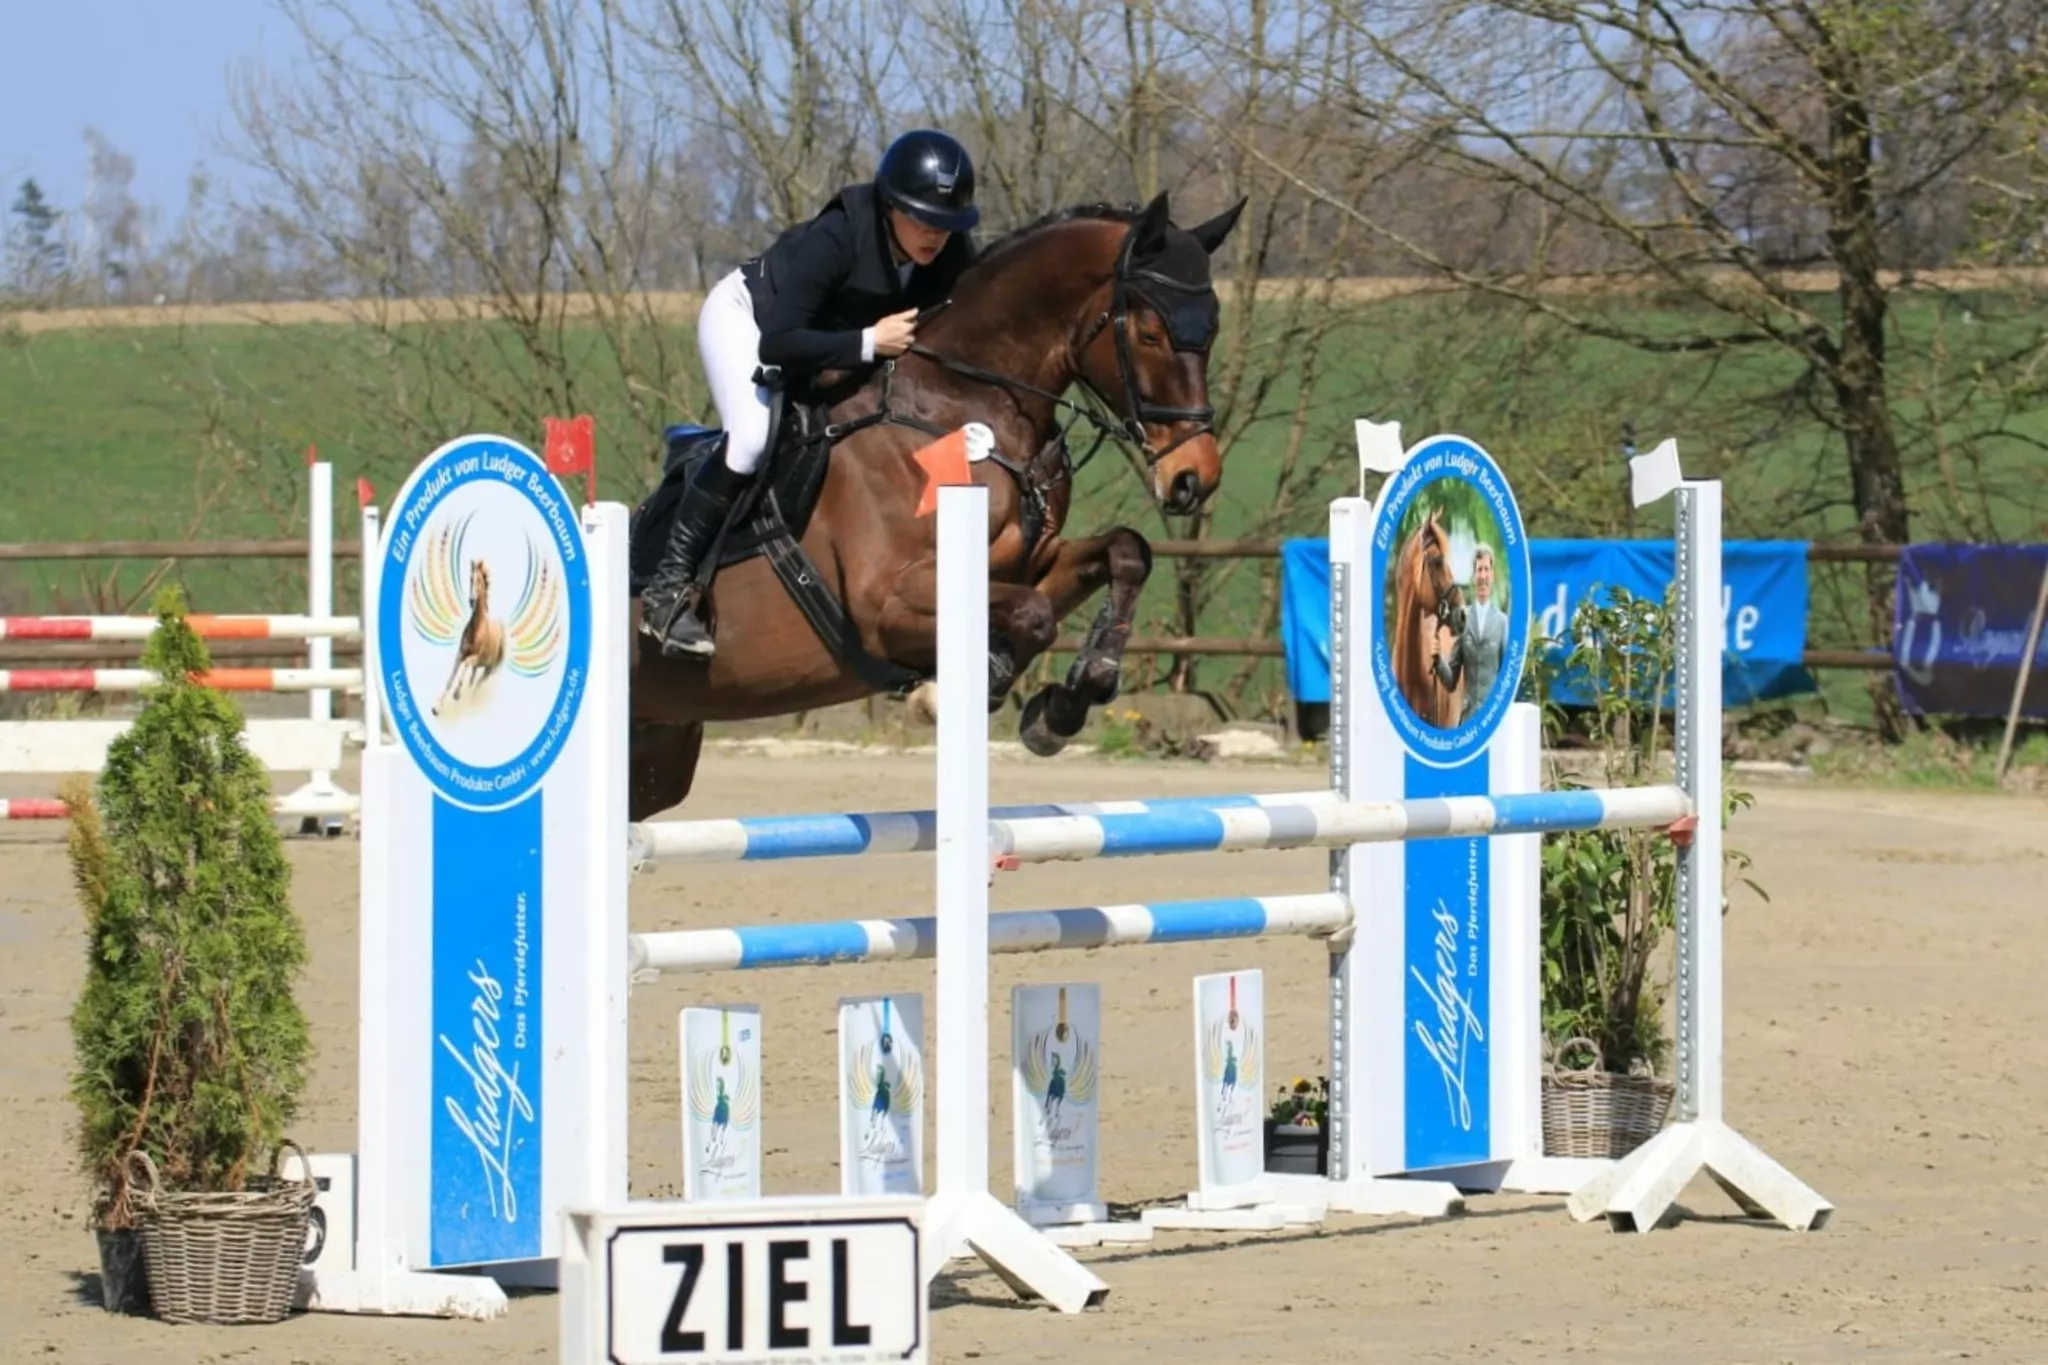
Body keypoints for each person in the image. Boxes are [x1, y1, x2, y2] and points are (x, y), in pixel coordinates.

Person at [641, 129, 984, 658]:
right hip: (749, 322)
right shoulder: (839, 235)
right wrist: (871, 342)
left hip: (829, 347)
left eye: (945, 223)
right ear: (891, 205)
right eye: (921, 218)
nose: (934, 235)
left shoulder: (949, 253)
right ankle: (667, 592)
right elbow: (780, 341)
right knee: (752, 439)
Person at [1431, 544, 1507, 723]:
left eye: (1486, 569)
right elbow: (1450, 682)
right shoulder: (1462, 619)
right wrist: (1437, 660)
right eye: (1478, 570)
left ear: (1492, 575)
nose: (1482, 576)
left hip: (1493, 719)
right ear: (1473, 576)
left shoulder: (1503, 623)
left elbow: (1507, 677)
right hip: (1468, 721)